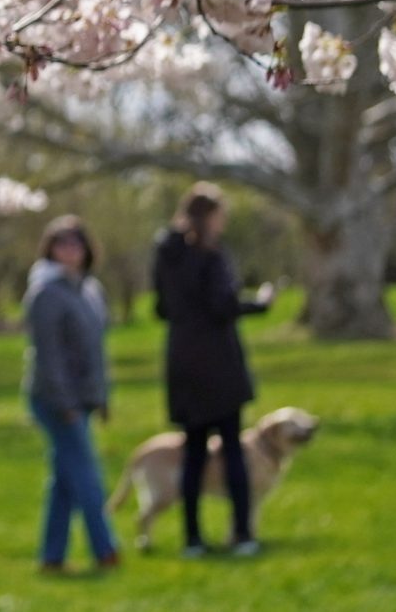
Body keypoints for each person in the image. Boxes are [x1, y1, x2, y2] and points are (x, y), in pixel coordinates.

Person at [152, 183, 278, 558]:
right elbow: (222, 306)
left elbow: (161, 308)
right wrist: (260, 303)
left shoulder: (166, 254)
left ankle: (192, 538)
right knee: (232, 449)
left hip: (182, 360)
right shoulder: (210, 254)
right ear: (210, 216)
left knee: (193, 453)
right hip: (217, 362)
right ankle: (241, 533)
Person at [21, 215, 121, 574]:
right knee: (86, 474)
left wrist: (101, 396)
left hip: (83, 397)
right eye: (60, 244)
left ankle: (52, 557)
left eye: (75, 243)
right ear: (49, 249)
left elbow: (95, 350)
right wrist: (65, 404)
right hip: (55, 399)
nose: (68, 251)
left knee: (65, 480)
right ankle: (105, 549)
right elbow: (49, 356)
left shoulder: (89, 290)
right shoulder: (46, 292)